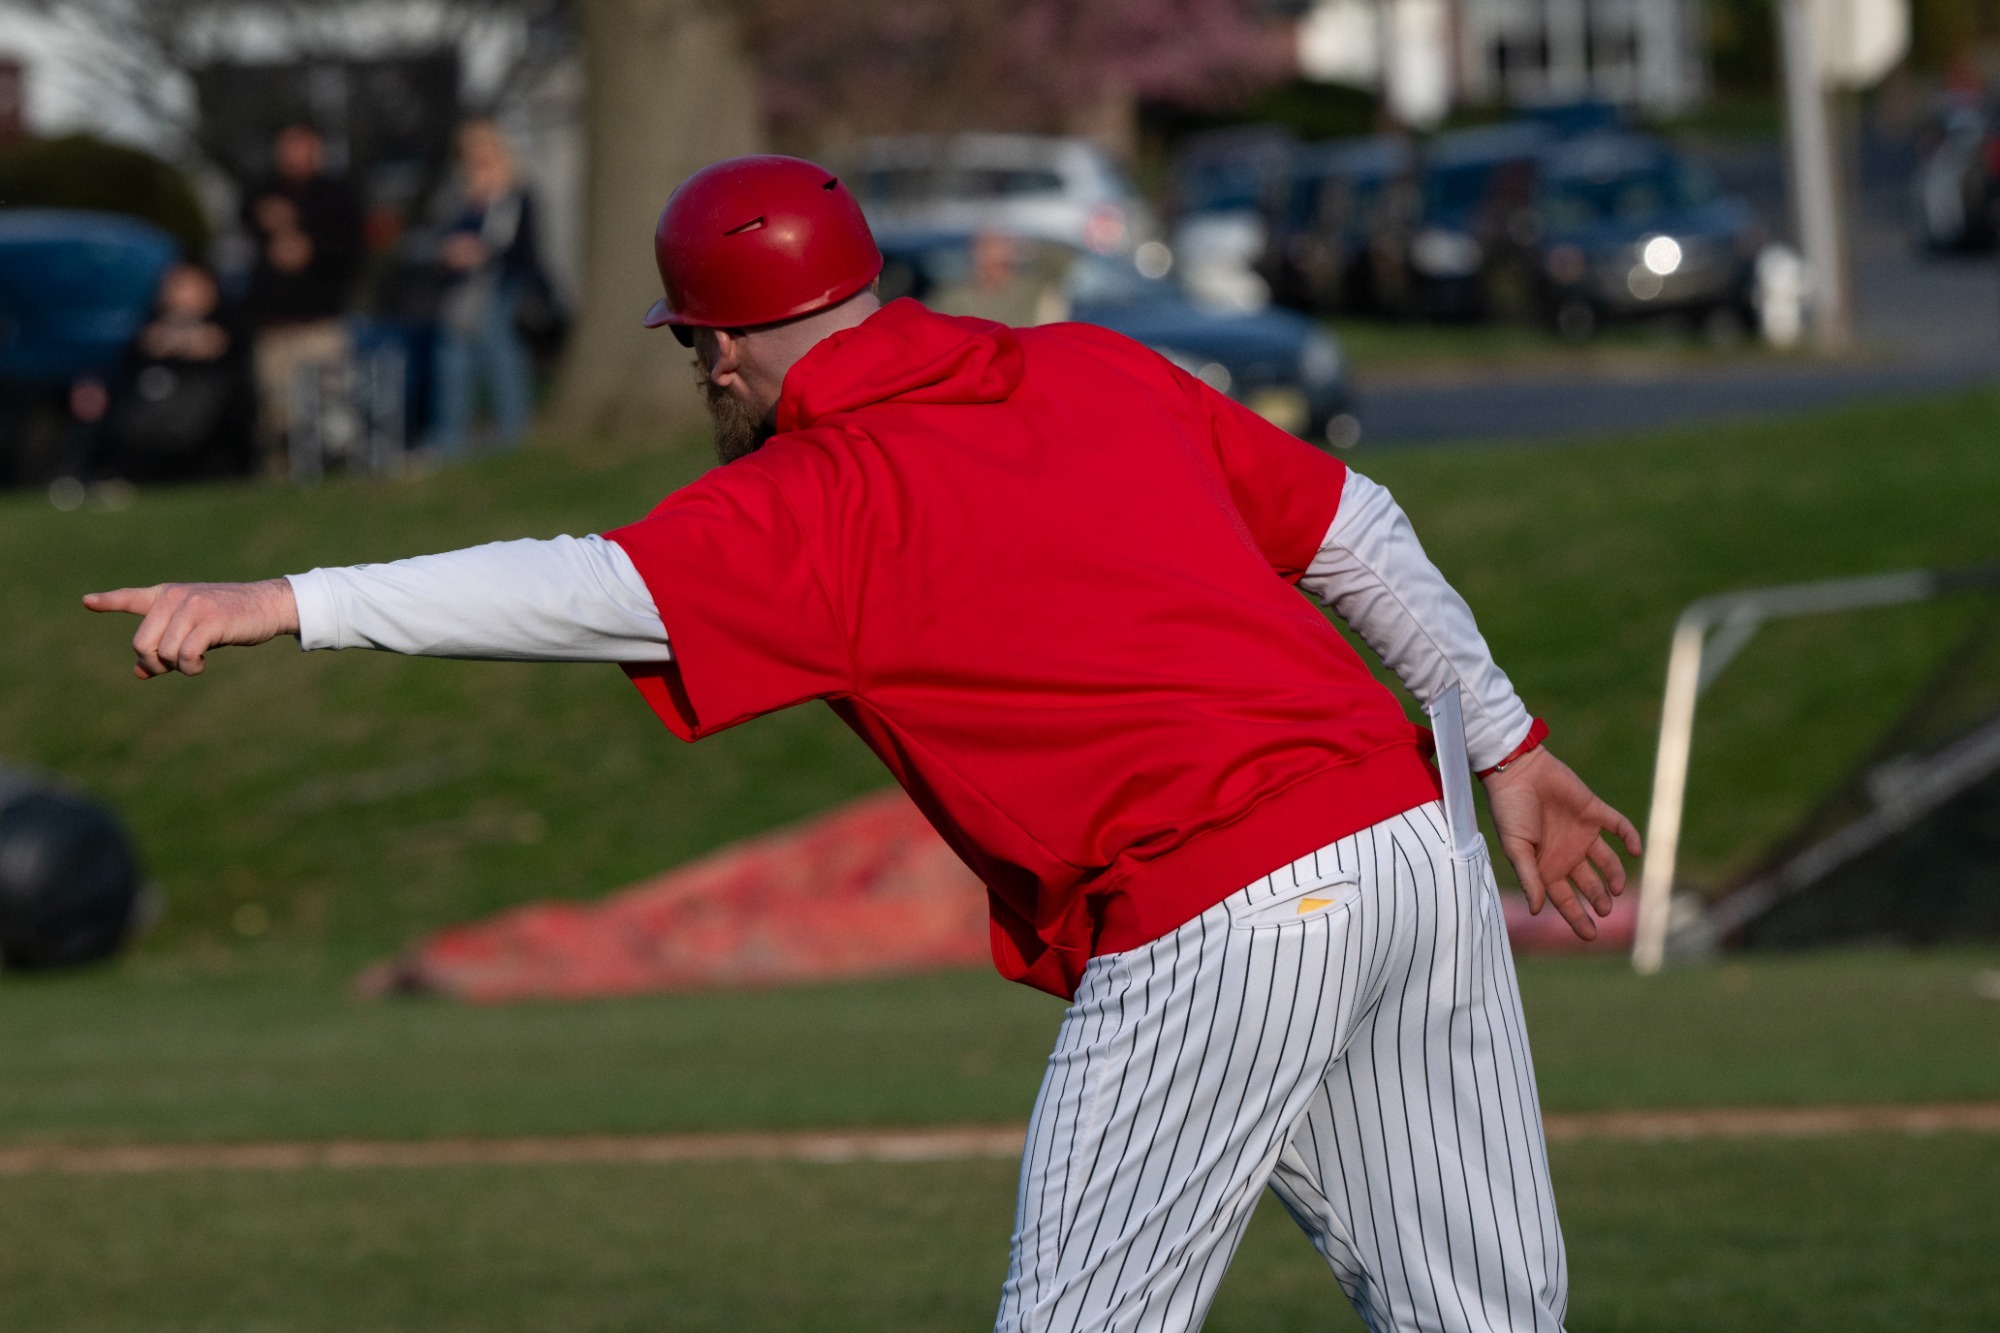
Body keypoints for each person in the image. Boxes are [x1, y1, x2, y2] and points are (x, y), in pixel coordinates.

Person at [85, 155, 1638, 1333]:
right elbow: (1355, 526)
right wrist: (1503, 744)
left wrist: (282, 598)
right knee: (1487, 1315)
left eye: (699, 348)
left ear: (718, 348)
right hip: (1410, 844)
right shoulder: (1093, 367)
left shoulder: (813, 500)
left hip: (1223, 904)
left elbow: (570, 586)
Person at [240, 123, 365, 465]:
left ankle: (338, 462)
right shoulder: (262, 192)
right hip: (273, 321)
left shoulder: (338, 197)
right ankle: (283, 463)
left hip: (319, 320)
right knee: (278, 406)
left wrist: (309, 247)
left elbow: (351, 252)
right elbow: (245, 227)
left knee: (330, 399)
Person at [422, 118, 547, 459]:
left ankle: (511, 437)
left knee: (502, 357)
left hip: (501, 287)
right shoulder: (456, 194)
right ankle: (452, 439)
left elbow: (525, 247)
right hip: (460, 292)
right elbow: (437, 236)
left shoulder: (515, 192)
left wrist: (482, 250)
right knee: (452, 360)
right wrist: (452, 249)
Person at [71, 262, 256, 482]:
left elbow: (236, 358)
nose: (183, 294)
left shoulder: (230, 325)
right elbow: (127, 368)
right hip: (150, 417)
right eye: (176, 286)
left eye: (191, 286)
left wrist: (202, 346)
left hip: (205, 420)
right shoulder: (148, 326)